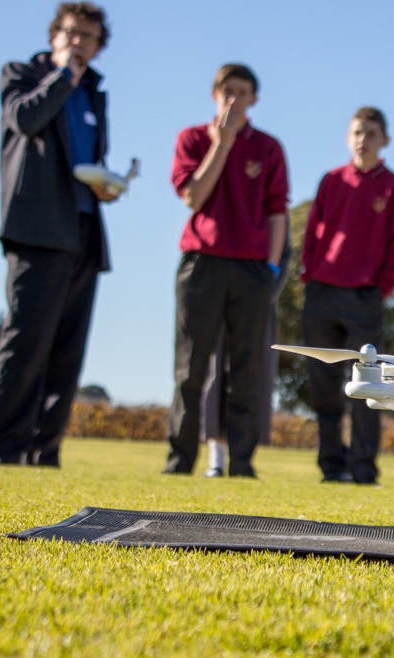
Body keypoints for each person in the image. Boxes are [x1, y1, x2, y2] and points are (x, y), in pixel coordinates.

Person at [0, 2, 119, 467]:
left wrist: (106, 185)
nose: (79, 42)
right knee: (26, 341)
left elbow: (91, 158)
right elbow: (25, 120)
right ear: (54, 34)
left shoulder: (95, 93)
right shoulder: (22, 74)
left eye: (88, 36)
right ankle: (4, 450)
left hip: (84, 230)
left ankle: (44, 452)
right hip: (38, 228)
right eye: (71, 32)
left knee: (67, 349)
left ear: (99, 46)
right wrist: (62, 77)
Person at [163, 63, 289, 477]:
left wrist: (272, 268)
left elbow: (277, 212)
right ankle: (180, 460)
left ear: (254, 99)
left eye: (242, 92)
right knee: (190, 367)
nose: (234, 99)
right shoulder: (193, 138)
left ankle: (242, 463)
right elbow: (193, 197)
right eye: (227, 91)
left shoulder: (268, 147)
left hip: (253, 269)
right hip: (201, 263)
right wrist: (222, 144)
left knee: (246, 369)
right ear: (214, 94)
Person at [301, 107, 394, 485]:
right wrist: (309, 276)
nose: (363, 139)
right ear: (348, 137)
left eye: (371, 133)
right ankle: (332, 466)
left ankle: (364, 469)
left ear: (385, 141)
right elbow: (312, 232)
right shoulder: (331, 180)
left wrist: (382, 288)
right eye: (357, 132)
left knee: (367, 386)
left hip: (365, 297)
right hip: (322, 292)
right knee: (323, 386)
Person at [201, 218, 291, 477]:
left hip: (257, 302)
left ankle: (242, 460)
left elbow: (283, 257)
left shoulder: (276, 215)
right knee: (215, 376)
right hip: (219, 300)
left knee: (251, 378)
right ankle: (216, 458)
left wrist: (261, 294)